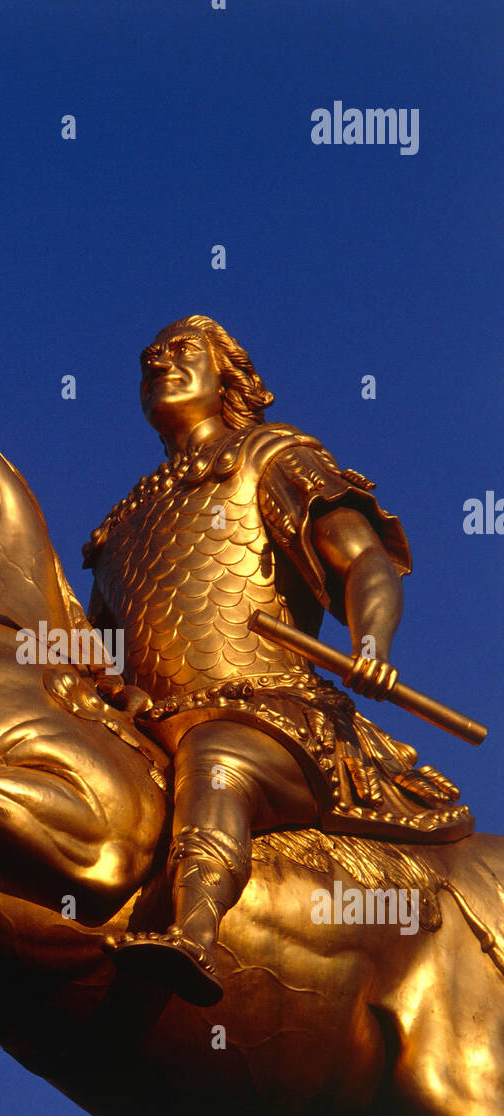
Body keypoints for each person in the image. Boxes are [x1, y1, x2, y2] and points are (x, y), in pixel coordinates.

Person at [83, 315, 471, 1005]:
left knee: (218, 760)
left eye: (180, 351)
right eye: (149, 357)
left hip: (270, 714)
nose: (159, 362)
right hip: (155, 727)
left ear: (226, 375)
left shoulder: (269, 455)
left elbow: (364, 561)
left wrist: (371, 646)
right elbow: (99, 652)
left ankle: (193, 933)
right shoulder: (121, 522)